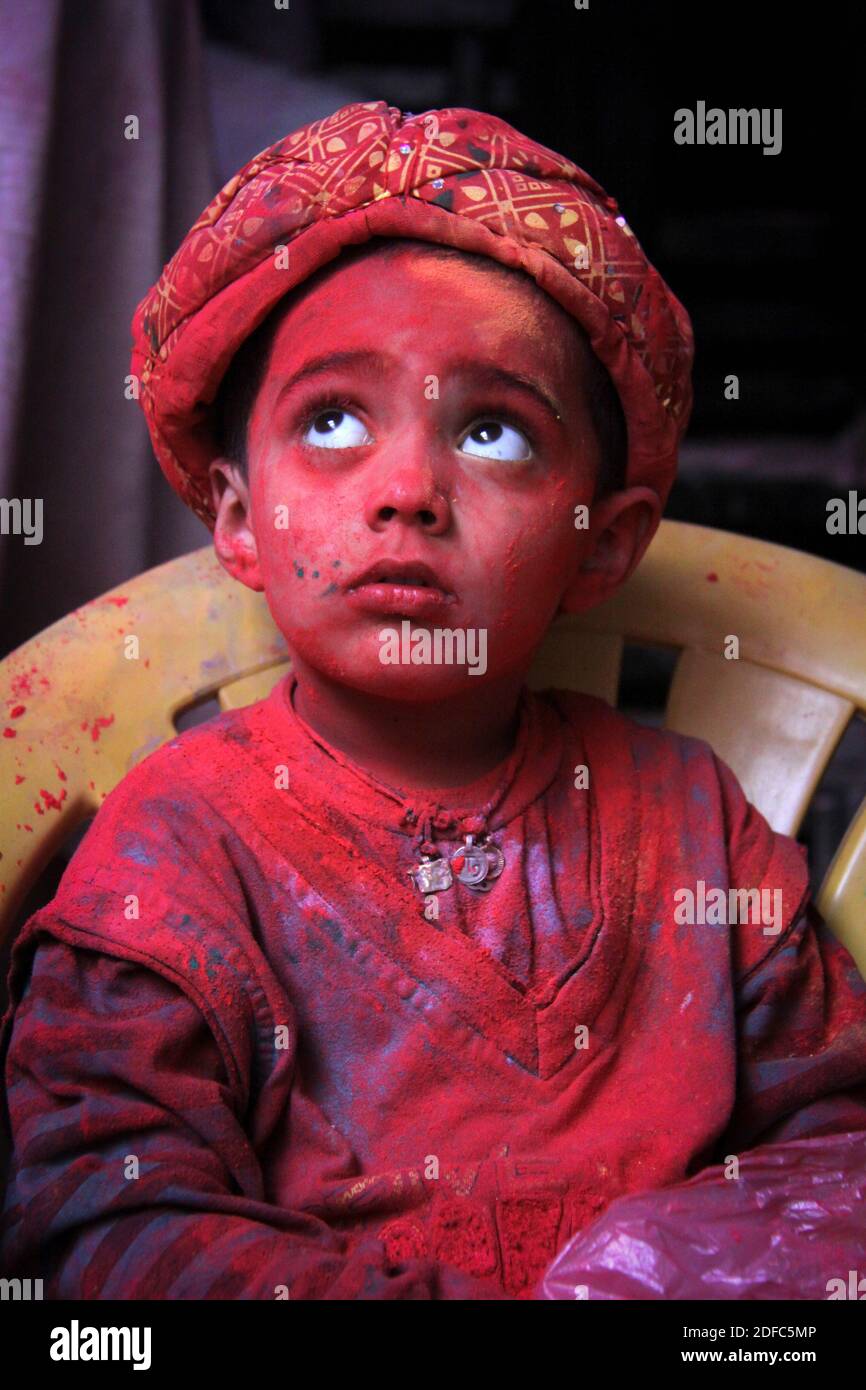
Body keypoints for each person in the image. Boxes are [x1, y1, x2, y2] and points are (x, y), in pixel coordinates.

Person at [1, 101, 864, 1301]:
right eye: (334, 420)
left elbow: (833, 1161)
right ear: (240, 518)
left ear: (601, 546)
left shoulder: (692, 827)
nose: (407, 490)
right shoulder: (167, 856)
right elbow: (103, 1231)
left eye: (495, 434)